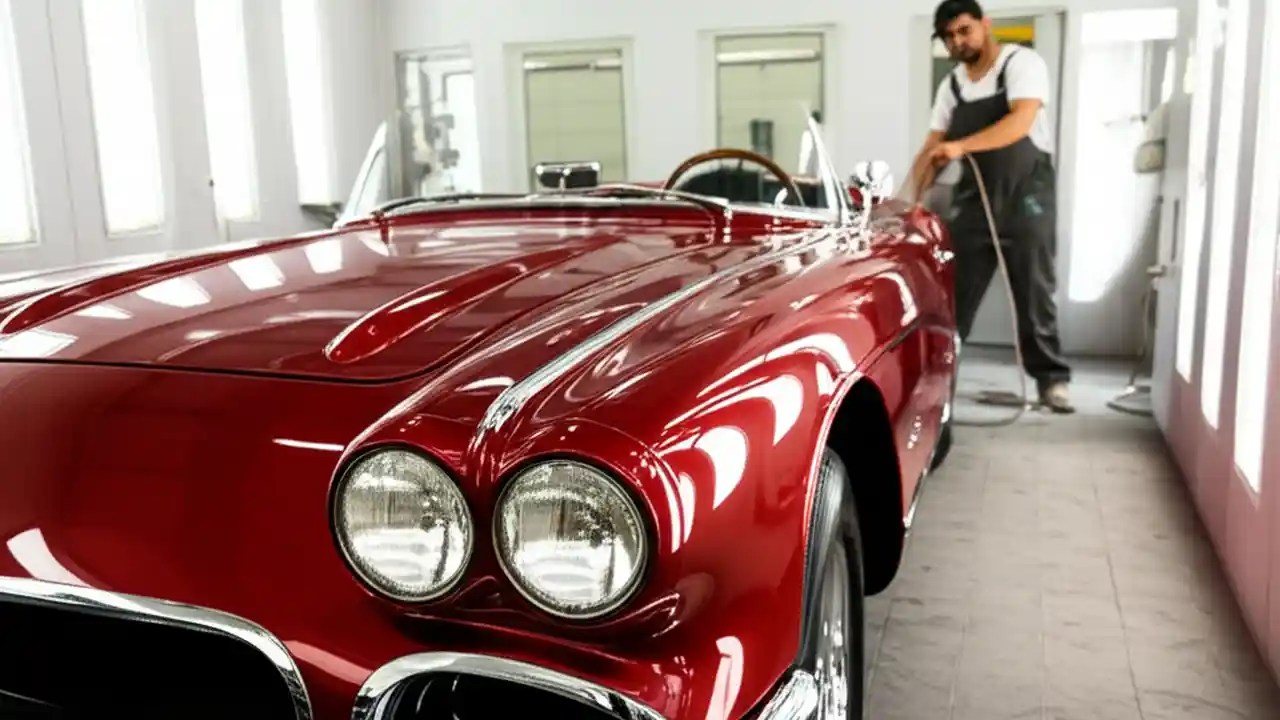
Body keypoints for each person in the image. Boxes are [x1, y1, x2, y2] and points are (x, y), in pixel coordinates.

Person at [910, 0, 1075, 413]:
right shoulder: (952, 86)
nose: (957, 41)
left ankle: (1051, 380)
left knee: (1035, 294)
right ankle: (940, 381)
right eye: (949, 36)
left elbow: (1020, 121)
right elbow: (932, 147)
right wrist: (907, 201)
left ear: (984, 24)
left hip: (1027, 199)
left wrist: (961, 145)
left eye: (964, 30)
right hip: (974, 203)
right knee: (953, 296)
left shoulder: (1022, 64)